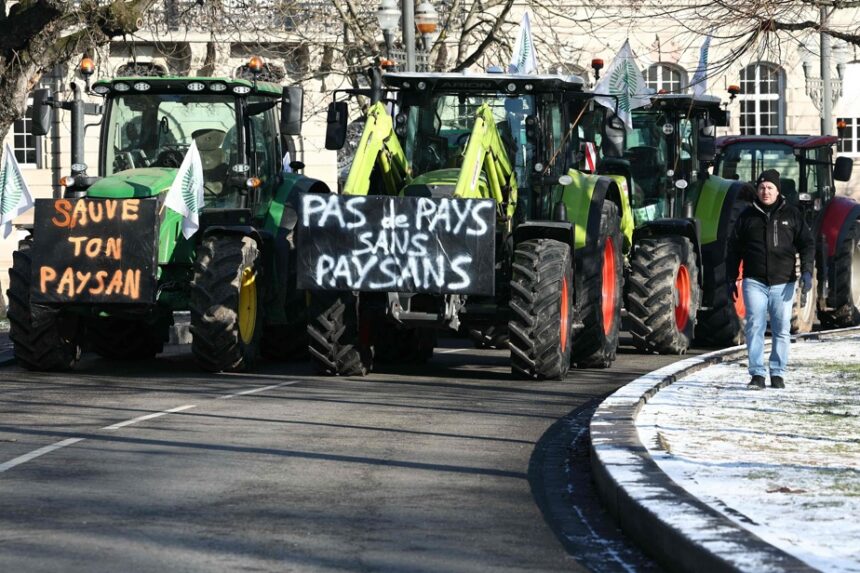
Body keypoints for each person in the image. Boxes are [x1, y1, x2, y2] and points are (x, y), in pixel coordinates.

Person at [727, 169, 814, 389]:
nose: (766, 192)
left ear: (778, 191)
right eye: (762, 187)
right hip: (754, 281)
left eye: (770, 188)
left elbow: (807, 244)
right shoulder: (747, 216)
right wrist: (730, 279)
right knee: (755, 324)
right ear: (757, 190)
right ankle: (757, 374)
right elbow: (733, 249)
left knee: (781, 327)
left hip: (783, 282)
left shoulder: (792, 215)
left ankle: (777, 373)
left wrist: (807, 271)